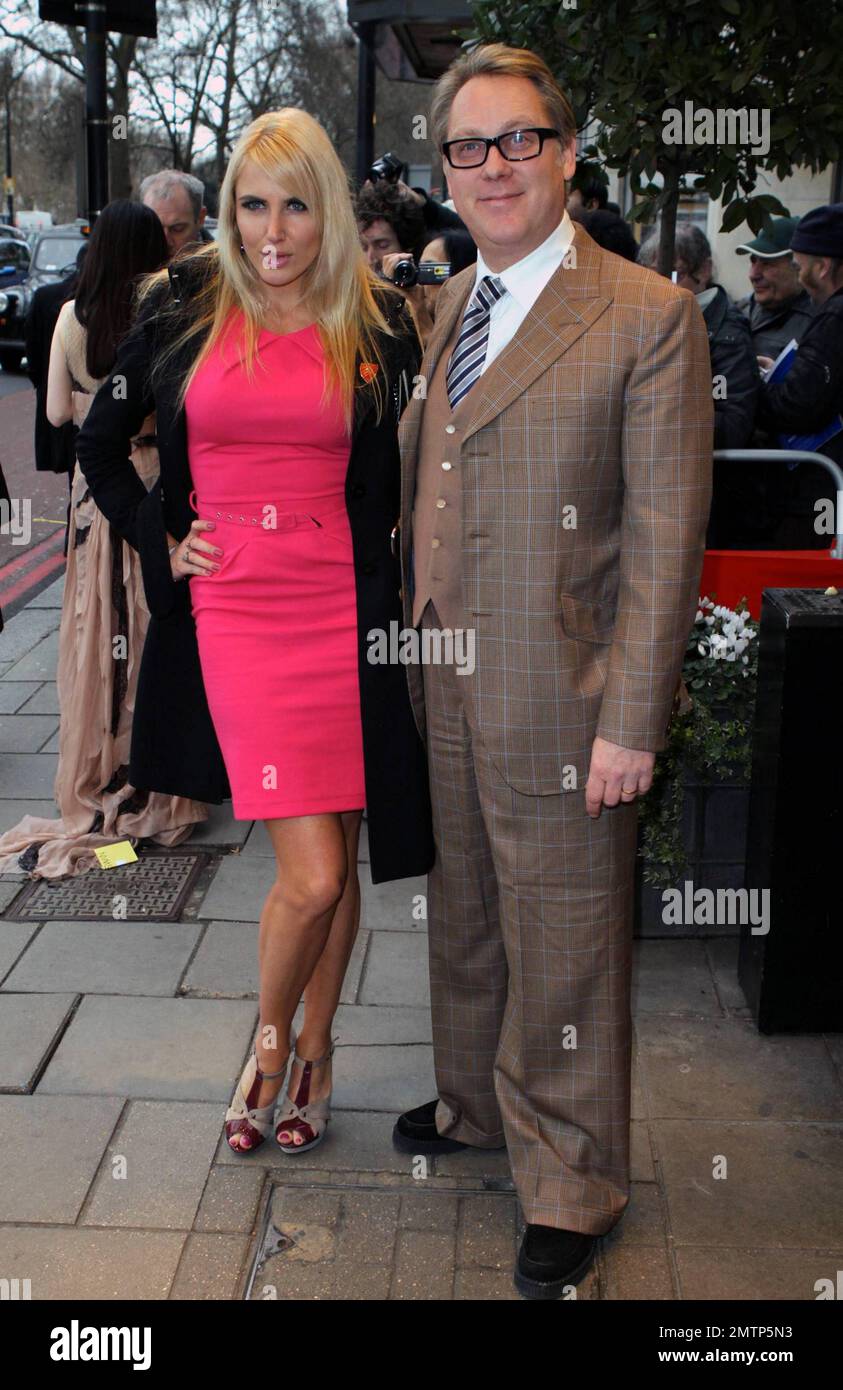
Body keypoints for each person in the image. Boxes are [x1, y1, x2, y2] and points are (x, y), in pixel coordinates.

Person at [393, 43, 712, 1298]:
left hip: (567, 696)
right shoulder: (445, 303)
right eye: (469, 147)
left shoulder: (646, 313)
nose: (495, 166)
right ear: (449, 172)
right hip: (443, 672)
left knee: (566, 942)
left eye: (520, 139)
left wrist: (633, 719)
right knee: (464, 917)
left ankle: (574, 1182)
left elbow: (668, 539)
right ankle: (477, 1108)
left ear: (567, 154)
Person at [76, 110, 434, 1158]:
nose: (273, 230)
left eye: (296, 205)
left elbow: (403, 481)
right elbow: (99, 440)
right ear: (228, 212)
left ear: (327, 212)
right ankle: (271, 1043)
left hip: (343, 610)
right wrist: (161, 532)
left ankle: (317, 1050)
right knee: (314, 873)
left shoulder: (378, 325)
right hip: (236, 611)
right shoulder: (187, 307)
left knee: (337, 848)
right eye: (252, 204)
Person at [0, 201, 208, 880]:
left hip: (97, 494)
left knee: (98, 634)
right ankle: (159, 777)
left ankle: (97, 777)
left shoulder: (69, 316)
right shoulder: (166, 317)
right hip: (153, 485)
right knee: (153, 627)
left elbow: (60, 414)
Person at [754, 204, 843, 545]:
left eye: (798, 263)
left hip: (817, 491)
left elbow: (799, 405)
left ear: (822, 267)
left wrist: (750, 387)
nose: (798, 272)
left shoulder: (834, 318)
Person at [638, 224, 759, 450]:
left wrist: (657, 409)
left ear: (704, 270)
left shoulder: (727, 334)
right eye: (650, 275)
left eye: (674, 274)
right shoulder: (652, 322)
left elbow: (733, 426)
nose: (659, 287)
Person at [735, 216, 815, 362]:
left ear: (798, 265)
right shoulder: (741, 308)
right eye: (753, 261)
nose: (753, 275)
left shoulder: (818, 324)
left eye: (767, 263)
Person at [381, 226, 478, 346]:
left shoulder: (477, 331)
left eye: (430, 271)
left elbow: (437, 358)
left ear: (461, 274)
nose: (420, 281)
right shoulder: (408, 319)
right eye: (419, 269)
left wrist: (420, 310)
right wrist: (387, 295)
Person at [140, 169, 213, 260]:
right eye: (155, 229)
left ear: (200, 218)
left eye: (177, 229)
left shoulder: (226, 269)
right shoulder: (130, 265)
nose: (165, 242)